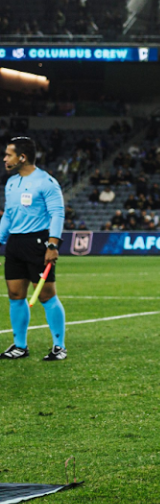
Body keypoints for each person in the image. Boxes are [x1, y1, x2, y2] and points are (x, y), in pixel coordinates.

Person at [0, 136, 67, 361]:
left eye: (8, 155)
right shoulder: (11, 183)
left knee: (46, 295)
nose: (4, 159)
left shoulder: (46, 182)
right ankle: (20, 346)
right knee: (15, 294)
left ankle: (59, 346)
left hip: (38, 243)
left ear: (22, 157)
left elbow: (57, 213)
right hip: (15, 244)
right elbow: (8, 216)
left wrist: (53, 245)